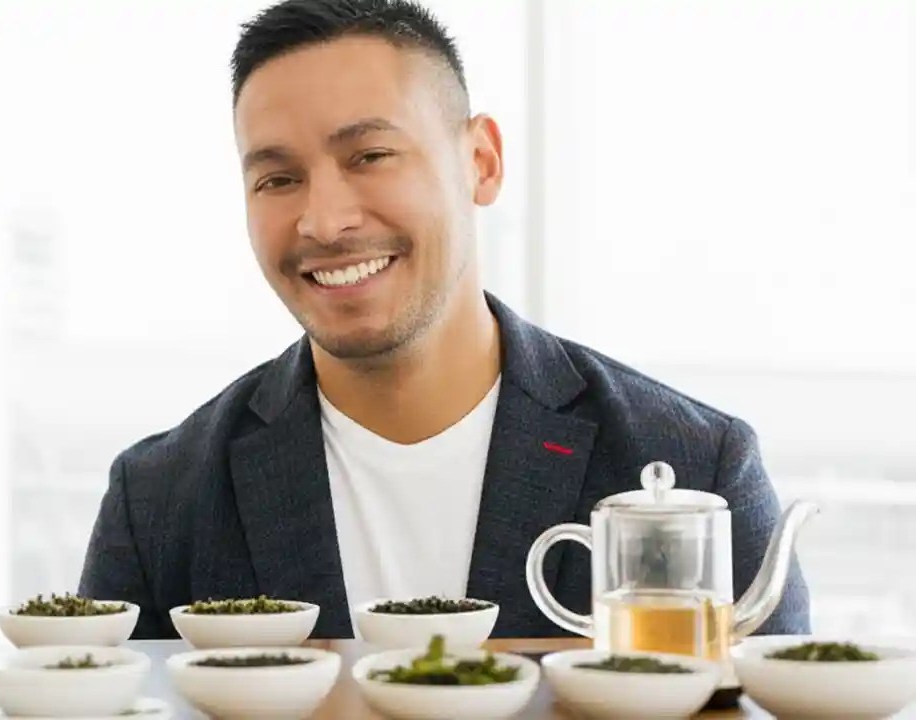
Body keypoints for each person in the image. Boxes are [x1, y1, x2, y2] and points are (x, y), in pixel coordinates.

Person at [78, 0, 810, 640]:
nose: (324, 221)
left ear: (480, 161)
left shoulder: (694, 464)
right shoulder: (161, 499)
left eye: (369, 155)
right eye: (277, 178)